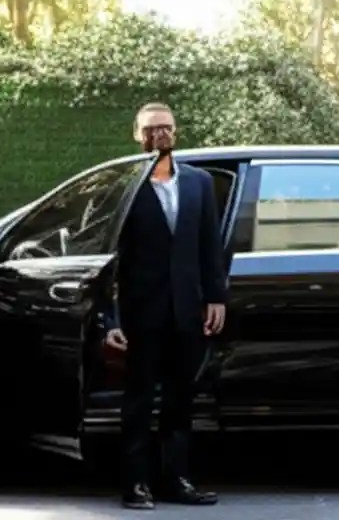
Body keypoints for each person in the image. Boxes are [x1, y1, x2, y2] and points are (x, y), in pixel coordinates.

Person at [103, 102, 228, 510]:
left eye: (167, 127)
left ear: (176, 132)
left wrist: (215, 297)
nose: (160, 135)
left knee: (180, 400)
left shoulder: (199, 183)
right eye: (152, 129)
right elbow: (109, 257)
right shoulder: (124, 187)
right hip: (141, 312)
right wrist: (112, 317)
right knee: (138, 400)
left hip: (188, 310)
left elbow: (210, 245)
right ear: (136, 134)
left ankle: (177, 480)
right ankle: (136, 484)